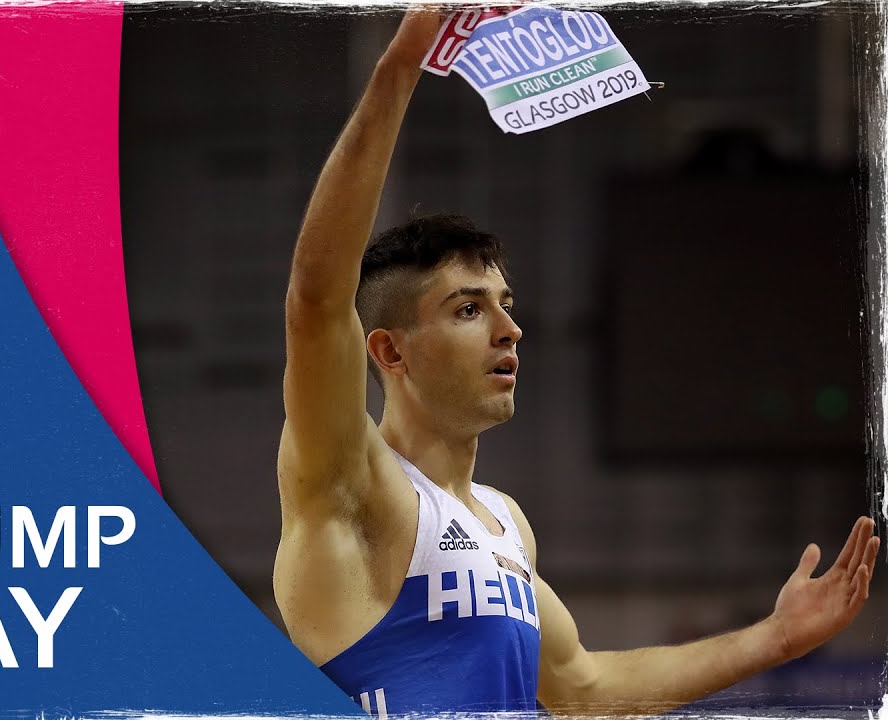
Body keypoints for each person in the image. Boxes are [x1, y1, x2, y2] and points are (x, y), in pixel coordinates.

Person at [272, 8, 879, 716]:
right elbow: (316, 300)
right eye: (469, 310)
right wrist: (401, 67)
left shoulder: (504, 522)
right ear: (389, 350)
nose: (511, 329)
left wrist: (776, 639)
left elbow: (586, 689)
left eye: (505, 303)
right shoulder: (351, 484)